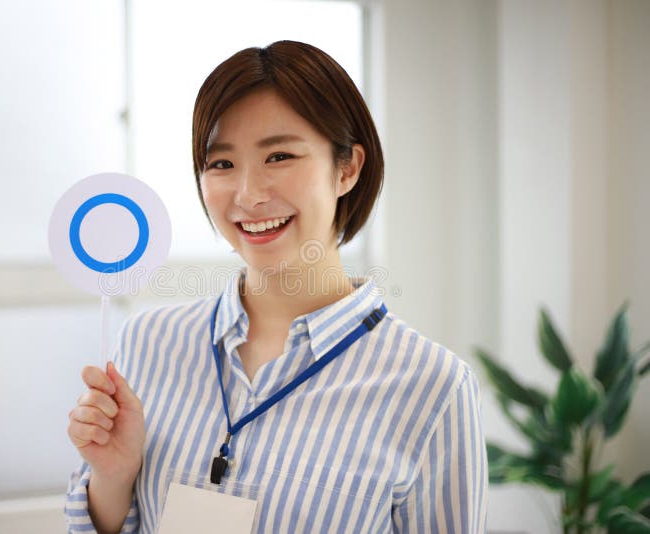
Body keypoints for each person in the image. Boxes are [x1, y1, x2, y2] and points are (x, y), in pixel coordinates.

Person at [65, 40, 488, 533]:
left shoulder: (432, 388)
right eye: (221, 164)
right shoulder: (147, 342)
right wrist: (113, 477)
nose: (247, 195)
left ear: (347, 168)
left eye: (279, 156)